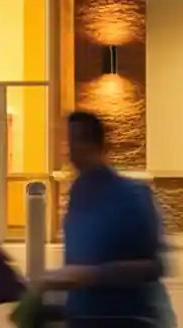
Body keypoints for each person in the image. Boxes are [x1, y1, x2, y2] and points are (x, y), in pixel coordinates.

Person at [46, 111, 166, 325]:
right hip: (83, 317)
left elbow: (154, 266)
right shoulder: (78, 192)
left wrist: (91, 275)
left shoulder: (133, 195)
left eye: (72, 142)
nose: (67, 151)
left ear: (93, 145)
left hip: (126, 319)